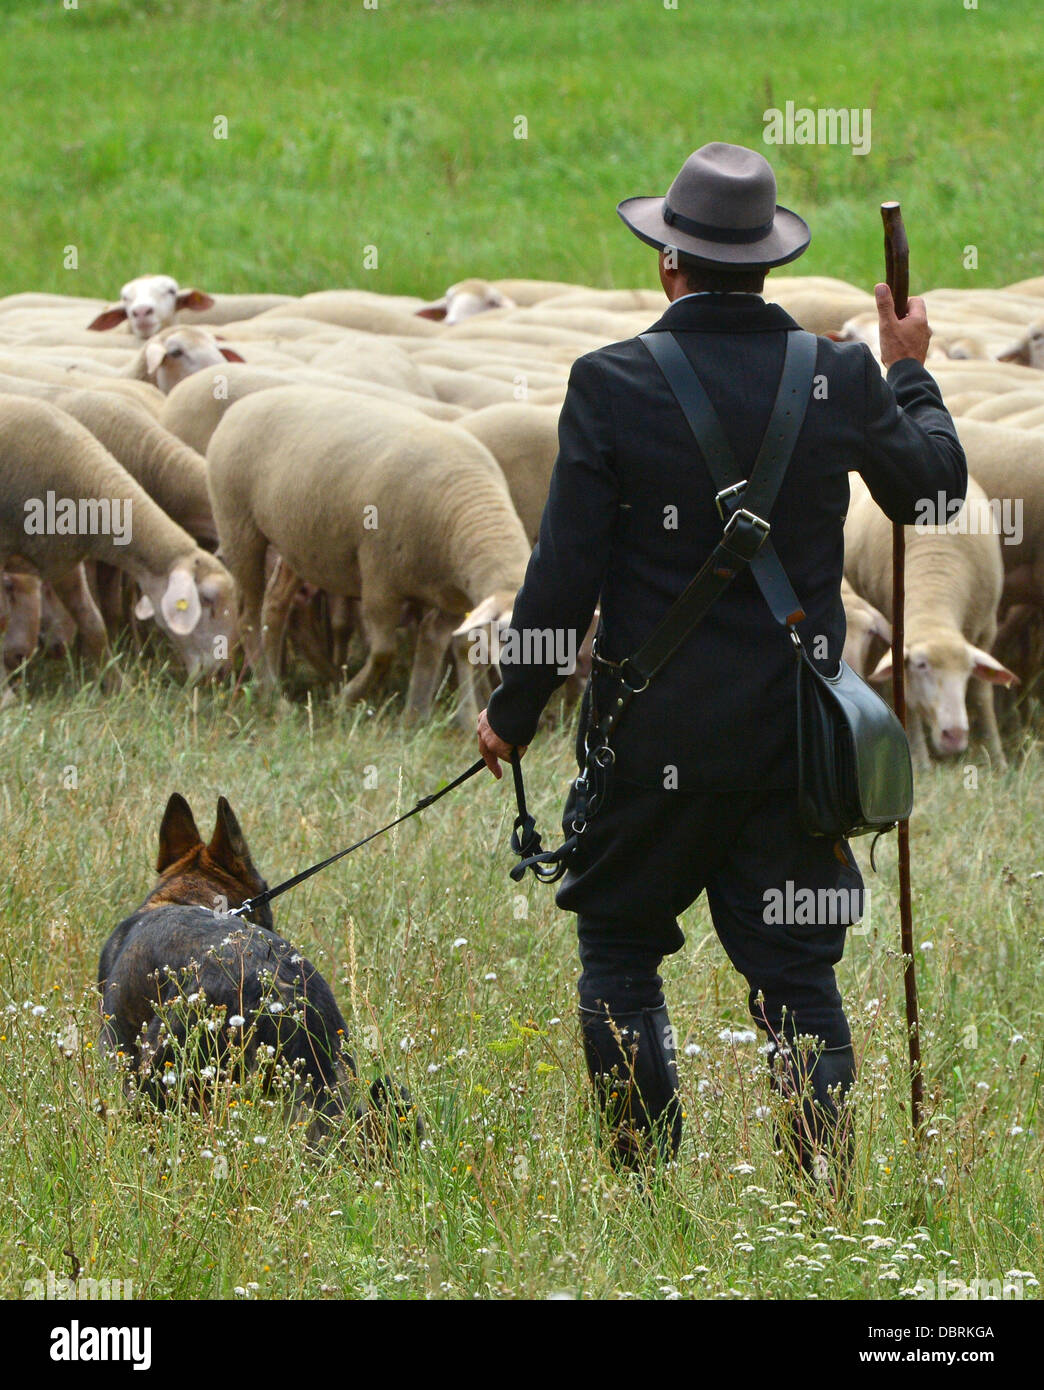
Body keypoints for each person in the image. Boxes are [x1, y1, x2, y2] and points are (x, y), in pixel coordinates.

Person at [475, 143, 966, 1189]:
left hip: (652, 745)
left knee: (618, 957)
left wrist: (510, 713)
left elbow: (561, 579)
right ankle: (818, 1198)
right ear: (768, 266)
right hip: (798, 749)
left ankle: (643, 1184)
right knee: (799, 980)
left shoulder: (607, 384)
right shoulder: (838, 376)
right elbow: (932, 495)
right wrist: (909, 364)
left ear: (669, 262)